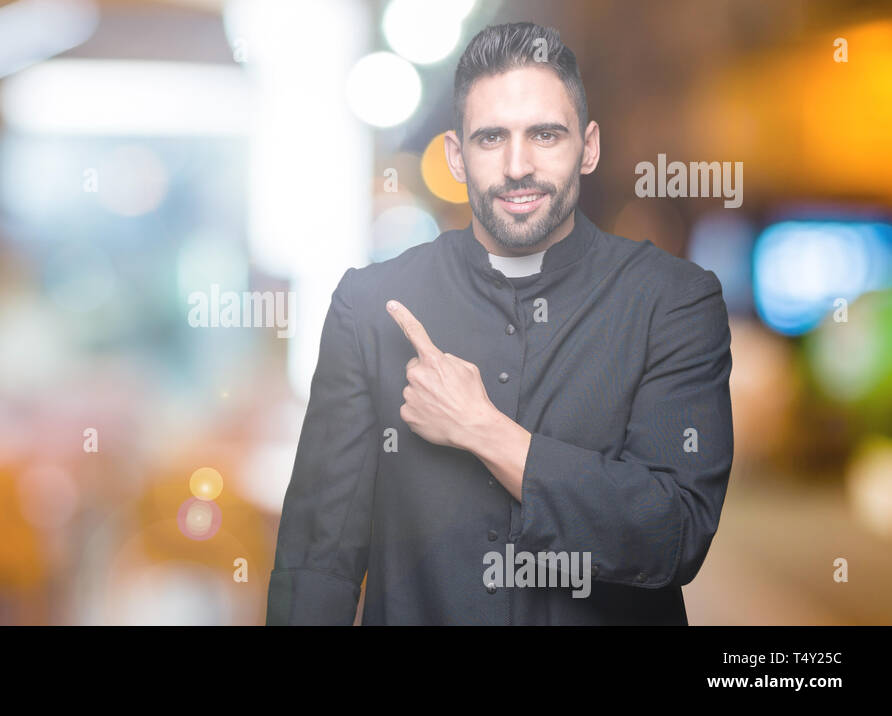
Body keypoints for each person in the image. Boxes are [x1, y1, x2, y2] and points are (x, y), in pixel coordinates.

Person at [266, 21, 734, 625]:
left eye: (545, 134)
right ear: (458, 156)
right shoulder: (372, 304)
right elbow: (317, 558)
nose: (518, 166)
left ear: (588, 147)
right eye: (491, 138)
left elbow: (673, 532)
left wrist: (482, 429)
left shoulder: (672, 302)